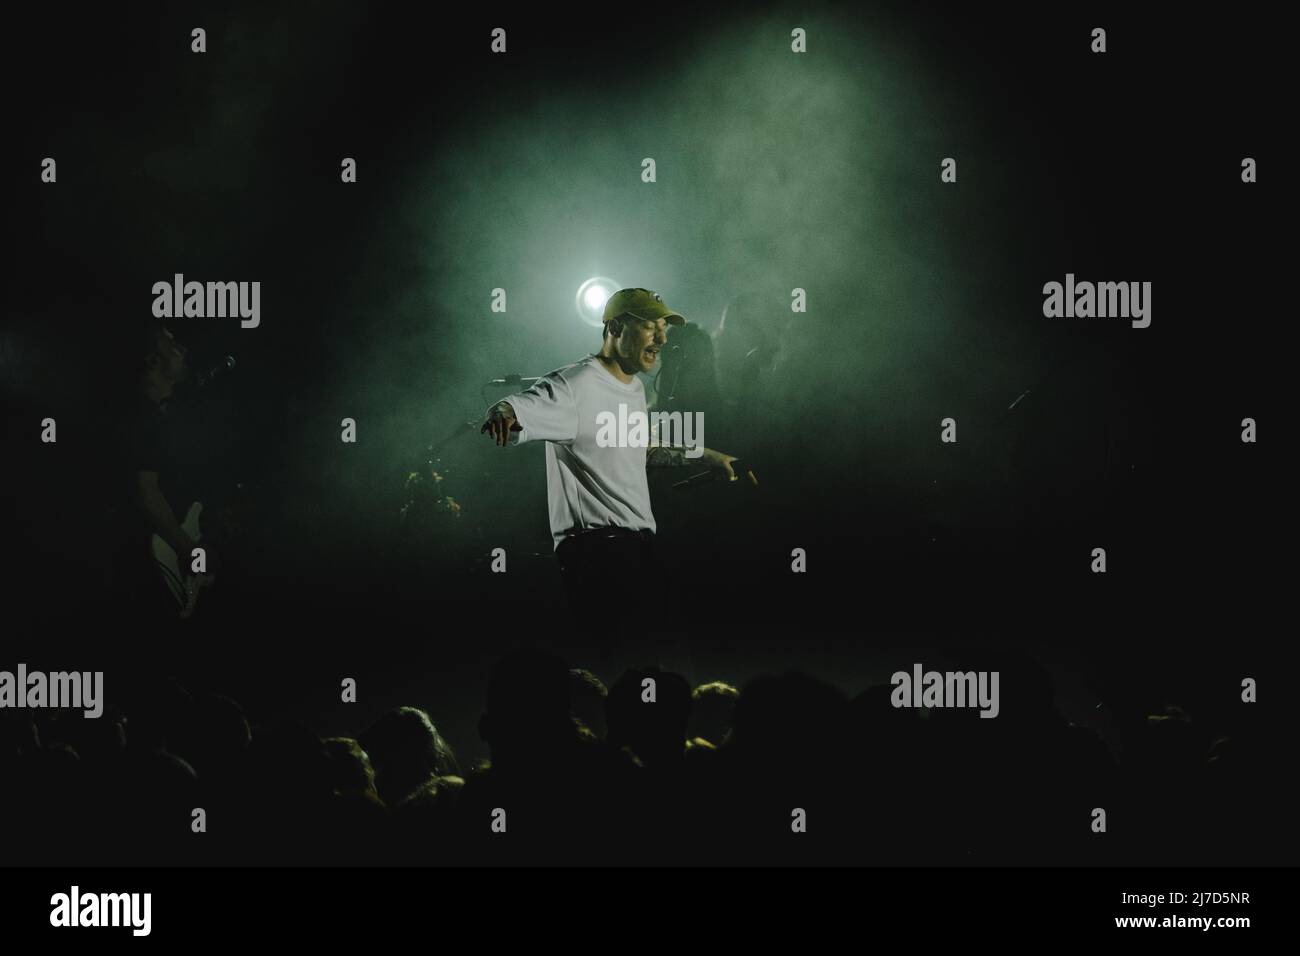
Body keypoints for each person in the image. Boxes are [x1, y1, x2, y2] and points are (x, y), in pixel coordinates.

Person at [480, 288, 739, 636]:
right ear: (615, 328)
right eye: (650, 327)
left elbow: (640, 447)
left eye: (664, 328)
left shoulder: (633, 389)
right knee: (624, 655)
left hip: (636, 550)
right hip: (598, 552)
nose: (662, 338)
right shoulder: (574, 383)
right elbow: (522, 404)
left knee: (649, 654)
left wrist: (710, 457)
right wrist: (503, 410)